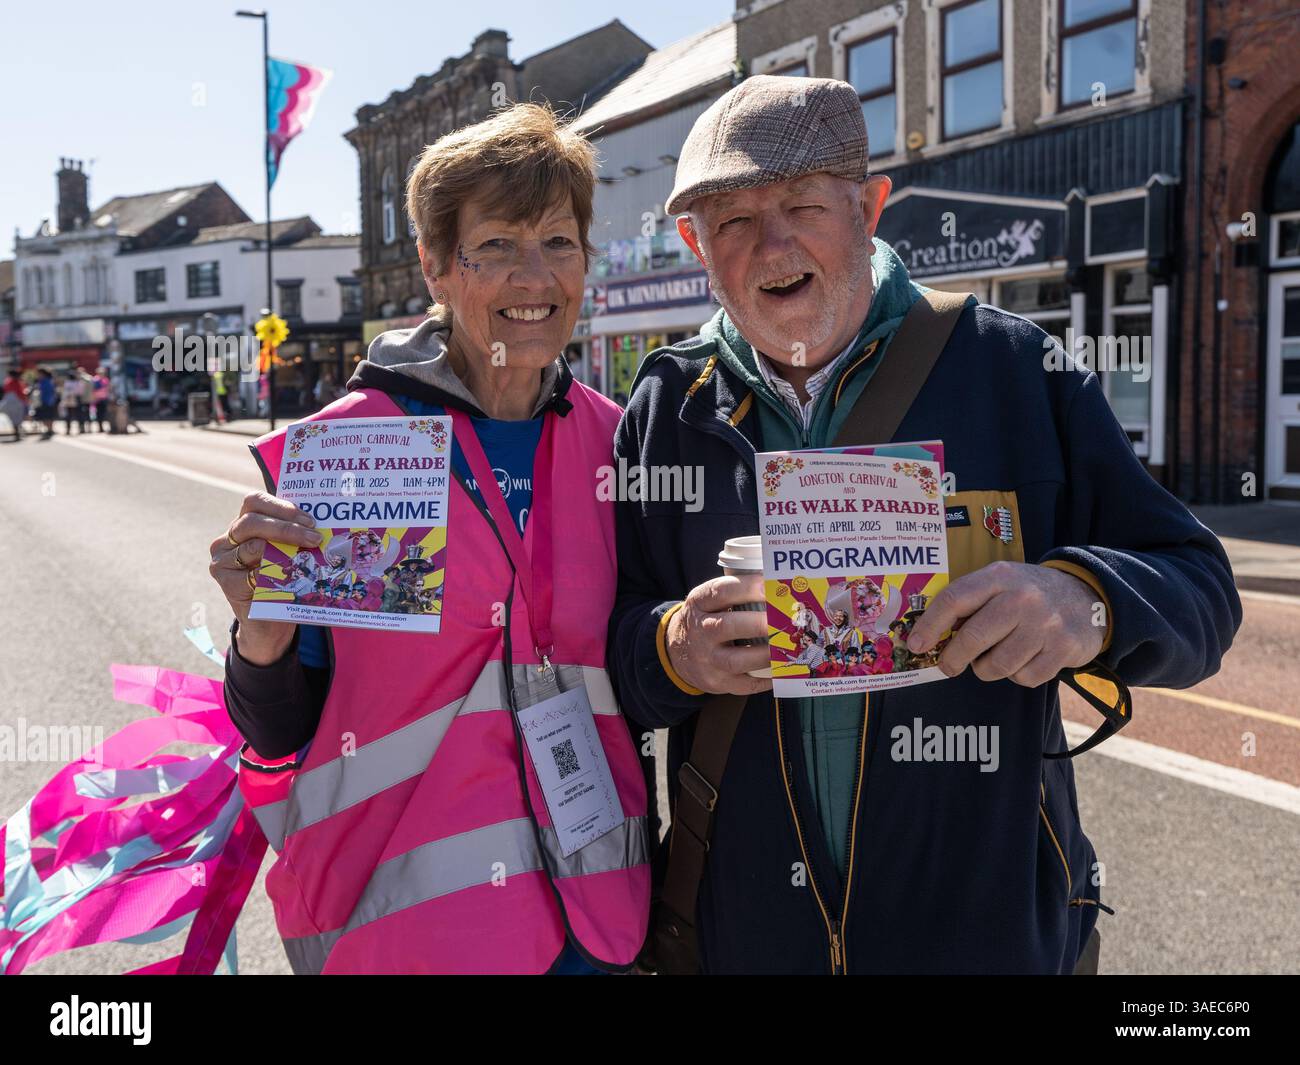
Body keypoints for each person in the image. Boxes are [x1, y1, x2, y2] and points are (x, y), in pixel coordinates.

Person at [607, 76, 1241, 974]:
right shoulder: (668, 406)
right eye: (733, 221)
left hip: (978, 937)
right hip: (746, 936)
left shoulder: (1014, 368)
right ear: (694, 246)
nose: (772, 244)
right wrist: (673, 648)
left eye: (802, 205)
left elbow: (1201, 588)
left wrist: (1084, 600)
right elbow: (613, 650)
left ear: (869, 208)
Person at [209, 102, 650, 975]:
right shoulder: (350, 451)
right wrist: (261, 640)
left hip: (595, 919)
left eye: (559, 242)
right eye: (495, 247)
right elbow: (277, 728)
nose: (535, 277)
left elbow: (645, 669)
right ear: (436, 267)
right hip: (405, 931)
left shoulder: (622, 442)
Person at [1, 369, 28, 442]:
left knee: (14, 419)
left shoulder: (8, 381)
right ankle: (18, 433)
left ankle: (18, 433)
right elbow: (21, 392)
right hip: (17, 401)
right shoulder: (16, 381)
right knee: (18, 419)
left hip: (11, 401)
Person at [33, 368, 56, 439]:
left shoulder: (47, 382)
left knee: (47, 417)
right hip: (44, 401)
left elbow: (49, 392)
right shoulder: (42, 382)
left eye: (39, 374)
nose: (38, 375)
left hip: (47, 402)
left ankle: (50, 430)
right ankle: (49, 430)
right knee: (46, 417)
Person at [91, 367, 110, 431]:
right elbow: (93, 389)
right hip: (97, 399)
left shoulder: (105, 379)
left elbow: (108, 388)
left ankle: (101, 426)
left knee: (103, 413)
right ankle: (100, 426)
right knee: (98, 413)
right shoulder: (95, 380)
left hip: (104, 399)